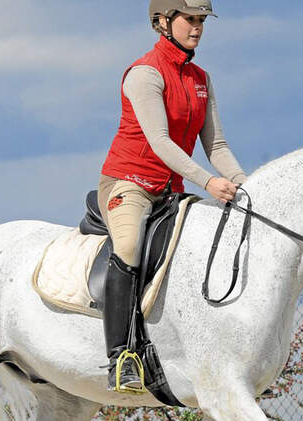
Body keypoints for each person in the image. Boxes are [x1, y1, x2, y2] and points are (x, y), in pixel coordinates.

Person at [93, 0, 247, 393]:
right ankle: (121, 357)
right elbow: (160, 142)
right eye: (189, 19)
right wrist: (208, 183)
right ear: (163, 21)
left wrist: (247, 185)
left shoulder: (201, 79)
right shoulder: (145, 74)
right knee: (129, 246)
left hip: (171, 191)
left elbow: (217, 145)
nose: (197, 27)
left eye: (201, 21)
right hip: (129, 183)